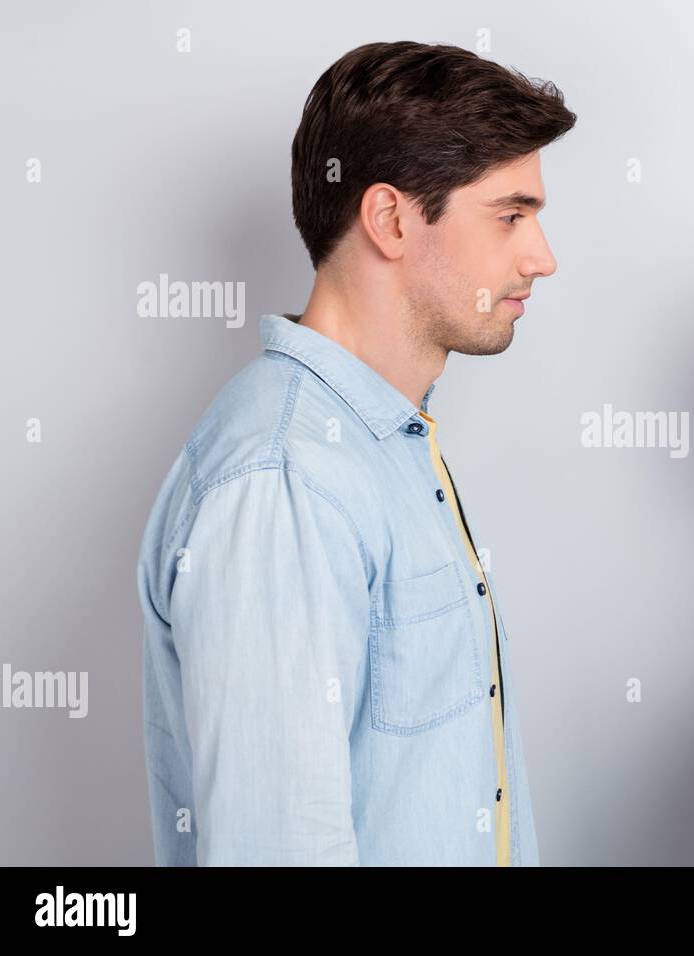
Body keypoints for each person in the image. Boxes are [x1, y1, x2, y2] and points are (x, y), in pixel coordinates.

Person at [137, 41, 575, 865]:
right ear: (390, 219)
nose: (541, 256)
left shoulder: (385, 444)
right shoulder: (287, 479)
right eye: (511, 215)